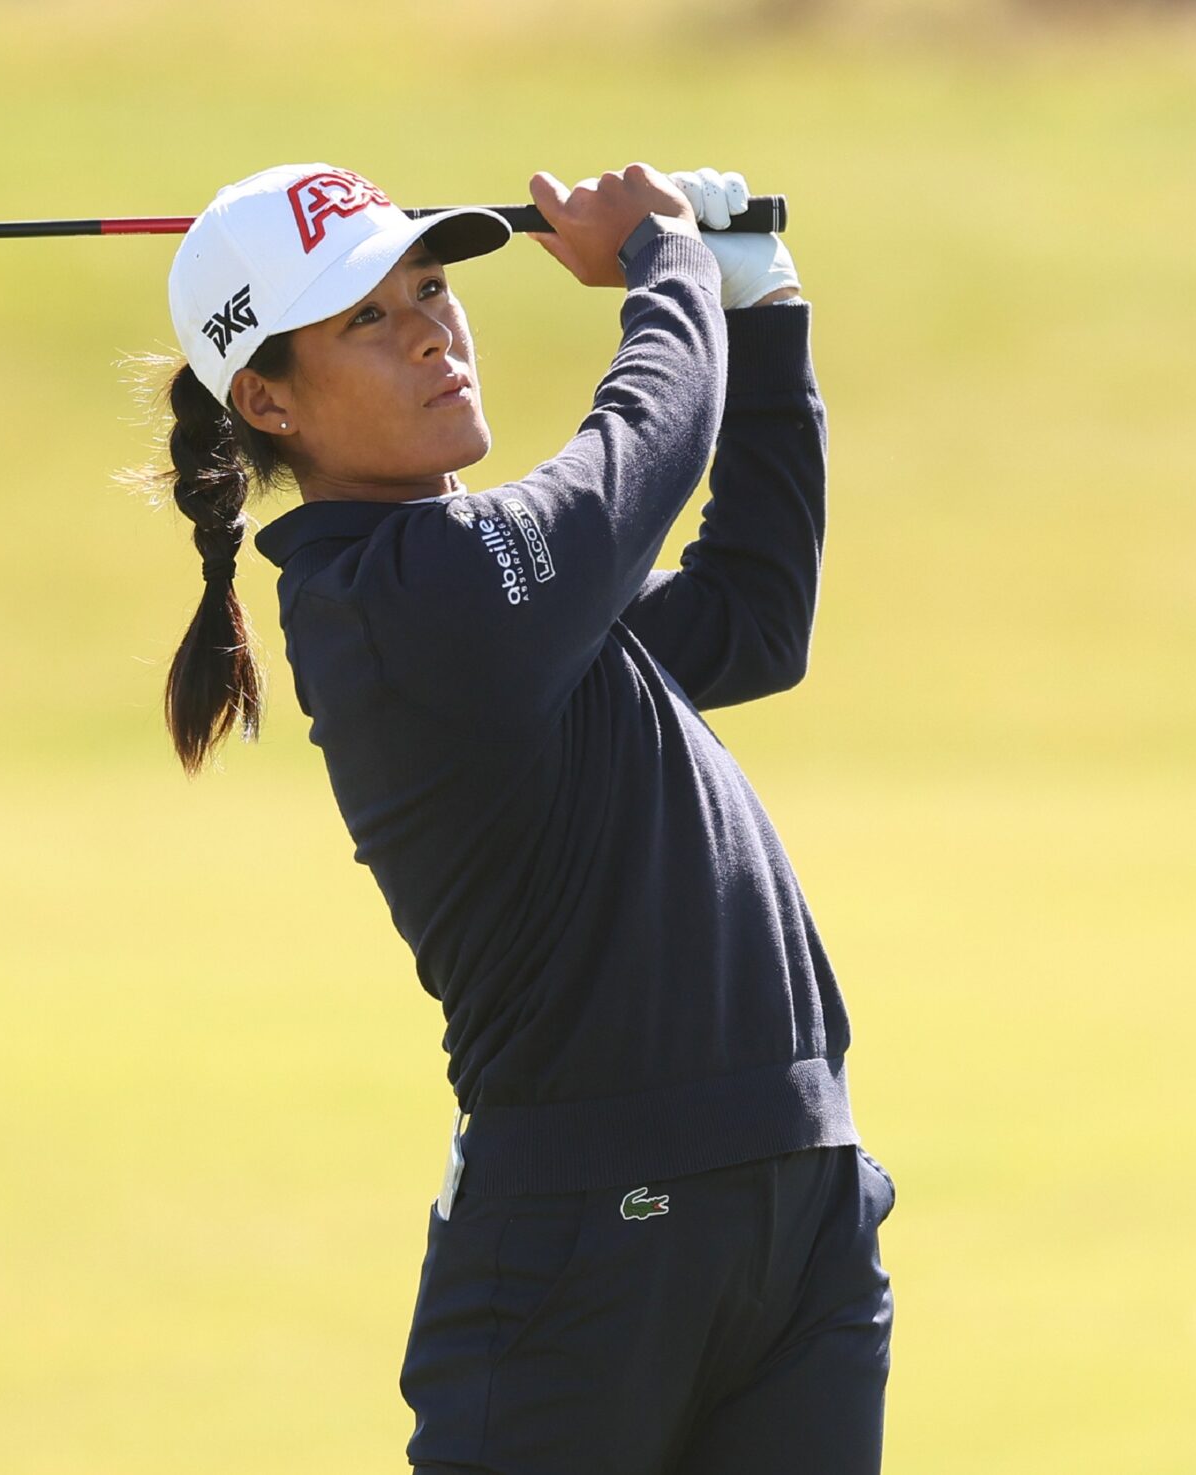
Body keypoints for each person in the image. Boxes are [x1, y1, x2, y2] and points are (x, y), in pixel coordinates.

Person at [132, 160, 896, 1474]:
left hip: (792, 1194)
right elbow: (632, 466)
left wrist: (763, 303)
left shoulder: (504, 590)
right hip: (591, 1237)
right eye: (365, 318)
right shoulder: (401, 603)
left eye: (430, 288)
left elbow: (752, 621)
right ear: (266, 400)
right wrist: (669, 270)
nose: (433, 328)